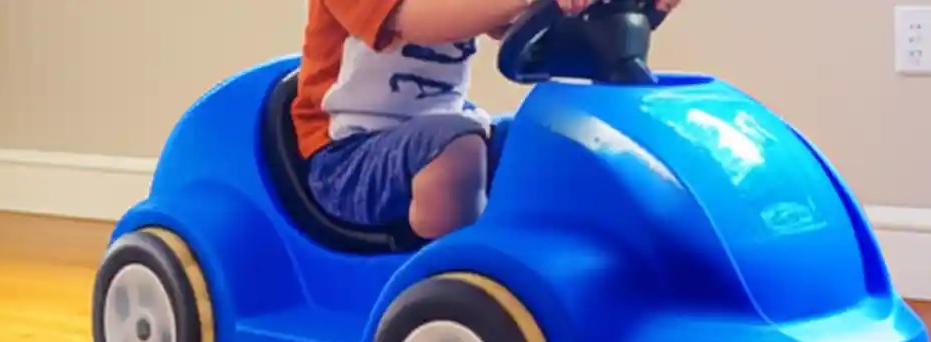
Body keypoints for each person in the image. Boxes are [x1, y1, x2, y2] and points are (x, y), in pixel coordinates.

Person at [292, 0, 683, 240]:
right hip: (347, 157)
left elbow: (519, 22)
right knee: (457, 145)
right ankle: (449, 278)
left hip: (438, 131)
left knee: (542, 141)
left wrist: (628, 11)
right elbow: (414, 19)